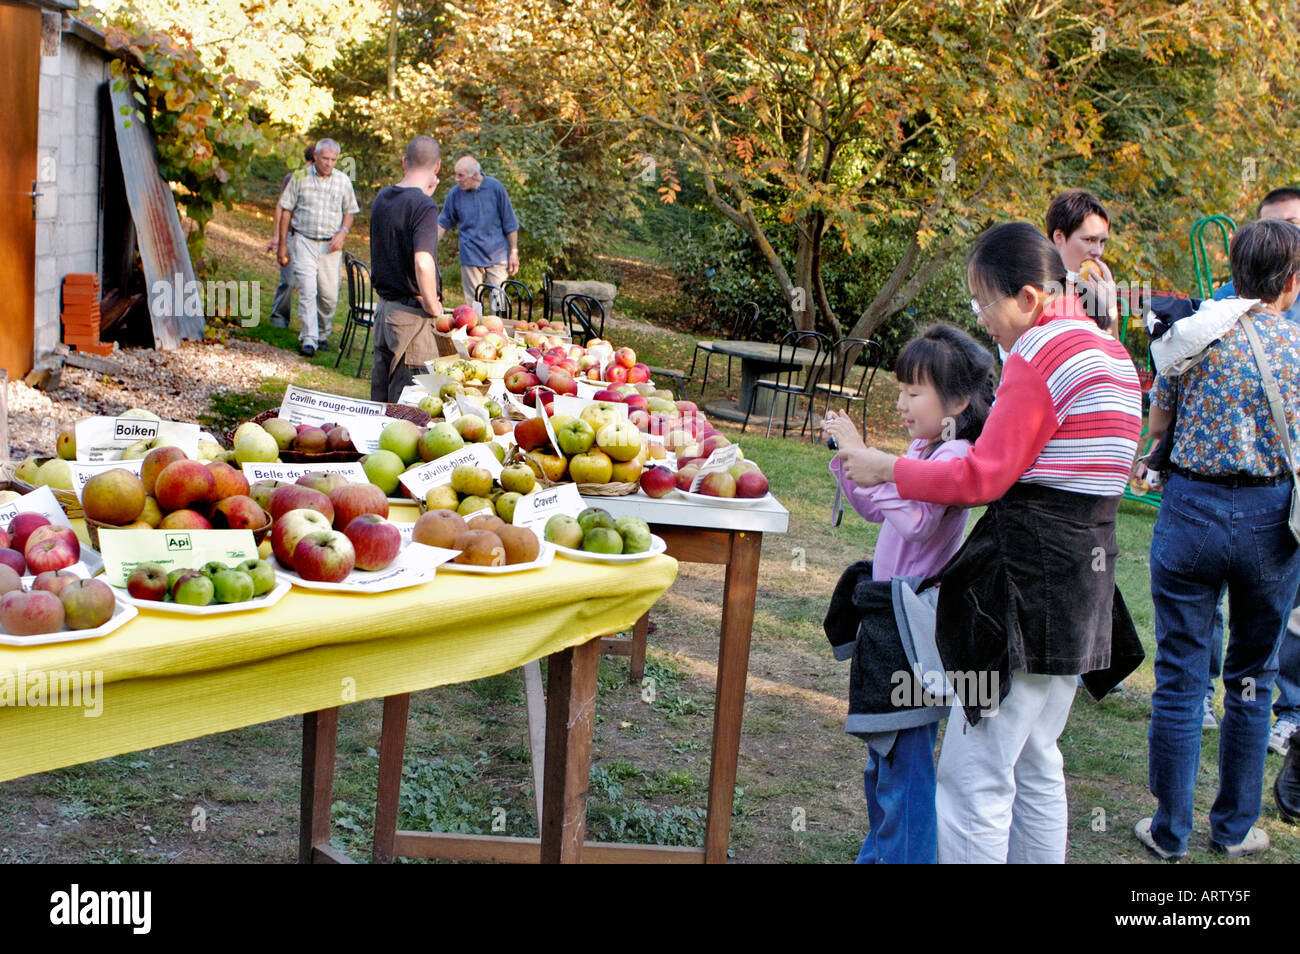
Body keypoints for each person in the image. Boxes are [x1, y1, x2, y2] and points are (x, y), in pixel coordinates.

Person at [828, 222, 1144, 864]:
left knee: (974, 778)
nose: (984, 322)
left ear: (1027, 298)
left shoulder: (1041, 352)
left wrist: (891, 467)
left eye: (983, 304)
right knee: (1036, 760)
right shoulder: (1113, 354)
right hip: (1086, 585)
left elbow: (982, 475)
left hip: (1023, 588)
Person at [1135, 219, 1300, 860]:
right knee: (1254, 681)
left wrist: (1156, 454)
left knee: (1179, 678)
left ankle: (1170, 832)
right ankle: (1233, 829)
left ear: (1234, 271)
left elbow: (1161, 416)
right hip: (1270, 523)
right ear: (1289, 283)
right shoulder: (1296, 351)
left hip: (1190, 511)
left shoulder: (1190, 339)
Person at [823, 325, 994, 864]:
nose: (900, 403)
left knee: (904, 759)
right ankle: (881, 855)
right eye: (899, 390)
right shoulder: (926, 447)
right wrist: (852, 463)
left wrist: (872, 461)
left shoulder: (953, 457)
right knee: (885, 757)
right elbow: (877, 506)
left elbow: (918, 520)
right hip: (889, 616)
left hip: (914, 629)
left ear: (958, 400)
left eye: (913, 392)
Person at [1201, 187, 1300, 747]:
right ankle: (1203, 699)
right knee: (1229, 630)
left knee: (1282, 619)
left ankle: (1290, 710)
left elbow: (1165, 403)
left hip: (1267, 494)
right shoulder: (1216, 308)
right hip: (1241, 496)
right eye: (1276, 227)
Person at [369, 136, 444, 403]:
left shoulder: (383, 198)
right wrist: (434, 306)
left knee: (378, 403)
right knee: (407, 409)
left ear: (404, 162)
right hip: (412, 320)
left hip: (385, 313)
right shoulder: (423, 206)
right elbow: (423, 260)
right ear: (437, 167)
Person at [276, 138, 360, 357]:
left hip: (330, 246)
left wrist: (343, 232)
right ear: (315, 156)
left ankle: (323, 332)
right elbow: (285, 209)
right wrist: (282, 243)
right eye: (325, 158)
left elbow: (350, 211)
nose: (329, 163)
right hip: (303, 240)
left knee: (329, 296)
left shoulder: (343, 181)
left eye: (333, 159)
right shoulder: (300, 177)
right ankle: (309, 338)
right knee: (306, 289)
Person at [437, 155, 520, 308]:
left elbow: (510, 223)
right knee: (473, 307)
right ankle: (473, 331)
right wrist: (427, 247)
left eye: (460, 175)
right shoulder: (455, 194)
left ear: (475, 175)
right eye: (456, 175)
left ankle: (498, 331)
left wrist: (513, 253)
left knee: (499, 304)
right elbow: (443, 224)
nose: (457, 179)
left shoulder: (496, 188)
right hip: (470, 256)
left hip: (497, 256)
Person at [1046, 188, 1120, 336]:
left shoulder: (1092, 292)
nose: (1098, 251)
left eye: (1102, 242)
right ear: (1059, 237)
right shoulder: (1034, 287)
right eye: (1089, 240)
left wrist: (1109, 310)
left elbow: (1113, 353)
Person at [265, 144, 315, 329]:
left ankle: (311, 327)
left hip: (312, 239)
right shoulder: (296, 177)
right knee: (288, 280)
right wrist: (278, 237)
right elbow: (281, 207)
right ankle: (279, 318)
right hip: (292, 235)